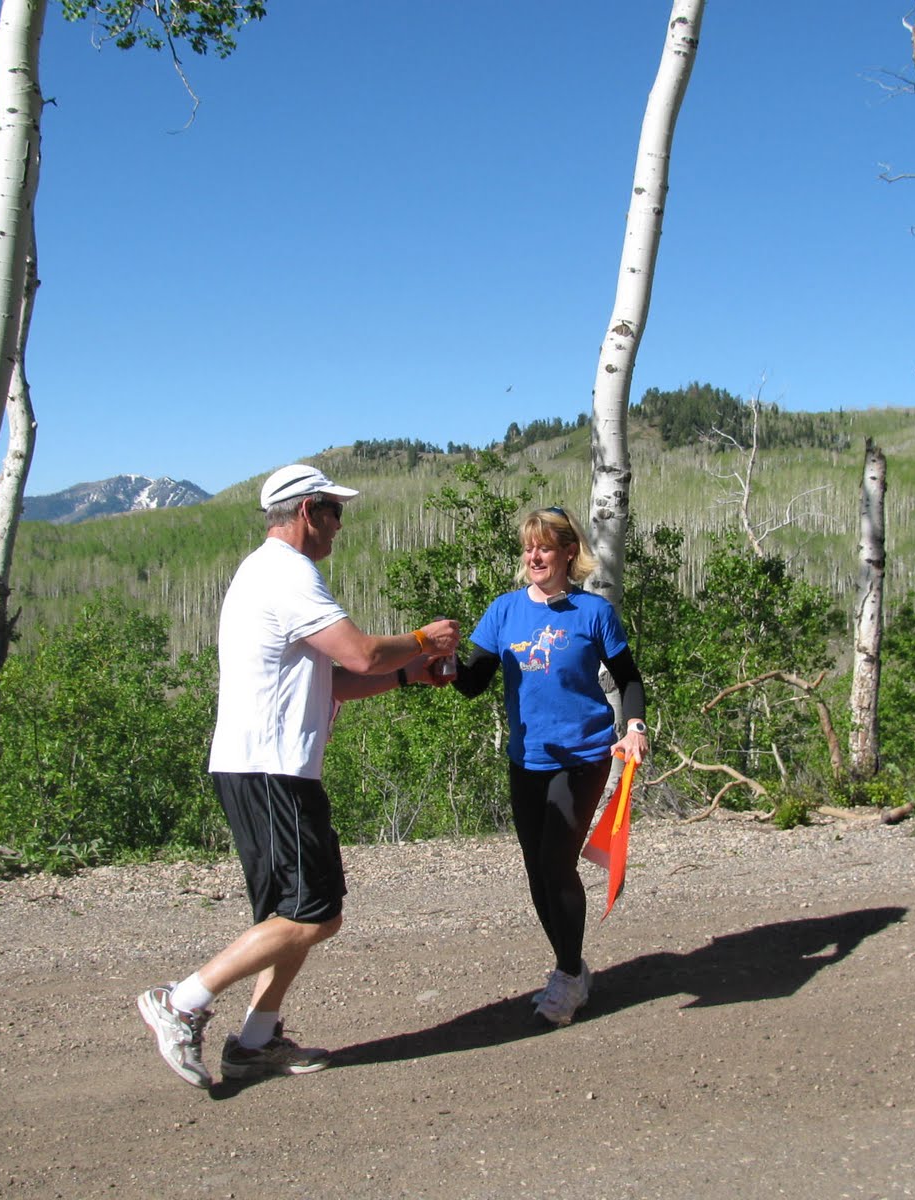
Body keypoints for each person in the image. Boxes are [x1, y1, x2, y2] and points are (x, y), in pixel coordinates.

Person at [137, 462, 459, 1088]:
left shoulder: (265, 573)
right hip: (271, 771)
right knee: (314, 913)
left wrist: (405, 675)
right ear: (310, 511)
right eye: (336, 512)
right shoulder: (288, 574)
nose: (341, 525)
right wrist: (423, 639)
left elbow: (334, 679)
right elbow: (360, 651)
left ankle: (255, 1041)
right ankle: (180, 1002)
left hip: (262, 768)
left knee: (286, 917)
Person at [449, 506, 648, 1027]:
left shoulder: (592, 612)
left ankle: (565, 975)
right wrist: (439, 661)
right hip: (527, 758)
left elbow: (629, 679)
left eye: (545, 547)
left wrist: (634, 729)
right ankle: (574, 969)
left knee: (557, 863)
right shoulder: (504, 612)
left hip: (582, 757)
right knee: (537, 867)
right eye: (529, 547)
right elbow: (473, 684)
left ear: (567, 553)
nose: (535, 556)